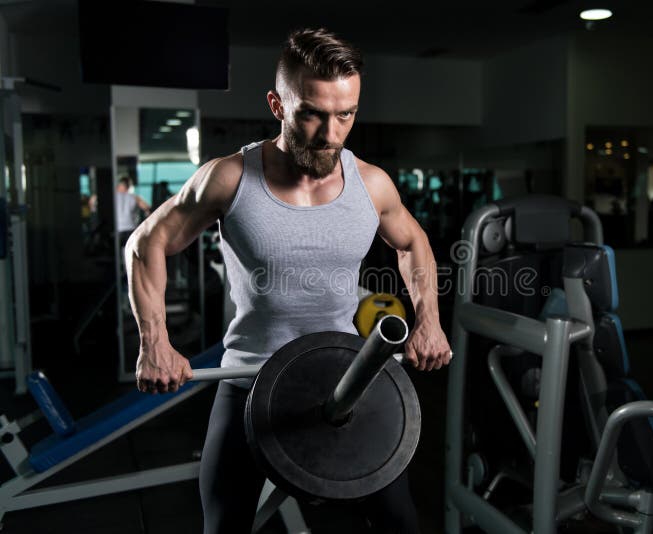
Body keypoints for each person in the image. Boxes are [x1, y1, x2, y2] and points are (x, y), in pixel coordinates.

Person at [124, 28, 452, 534]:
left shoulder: (371, 183)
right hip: (250, 380)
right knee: (224, 523)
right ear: (277, 105)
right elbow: (146, 244)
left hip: (343, 382)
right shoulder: (229, 178)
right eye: (313, 113)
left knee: (400, 523)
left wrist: (428, 321)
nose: (330, 133)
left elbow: (412, 243)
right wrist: (156, 342)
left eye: (345, 115)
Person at [115, 176, 151, 246]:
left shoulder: (113, 197)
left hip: (118, 229)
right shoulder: (134, 197)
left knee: (117, 252)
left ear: (119, 185)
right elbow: (146, 207)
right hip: (131, 228)